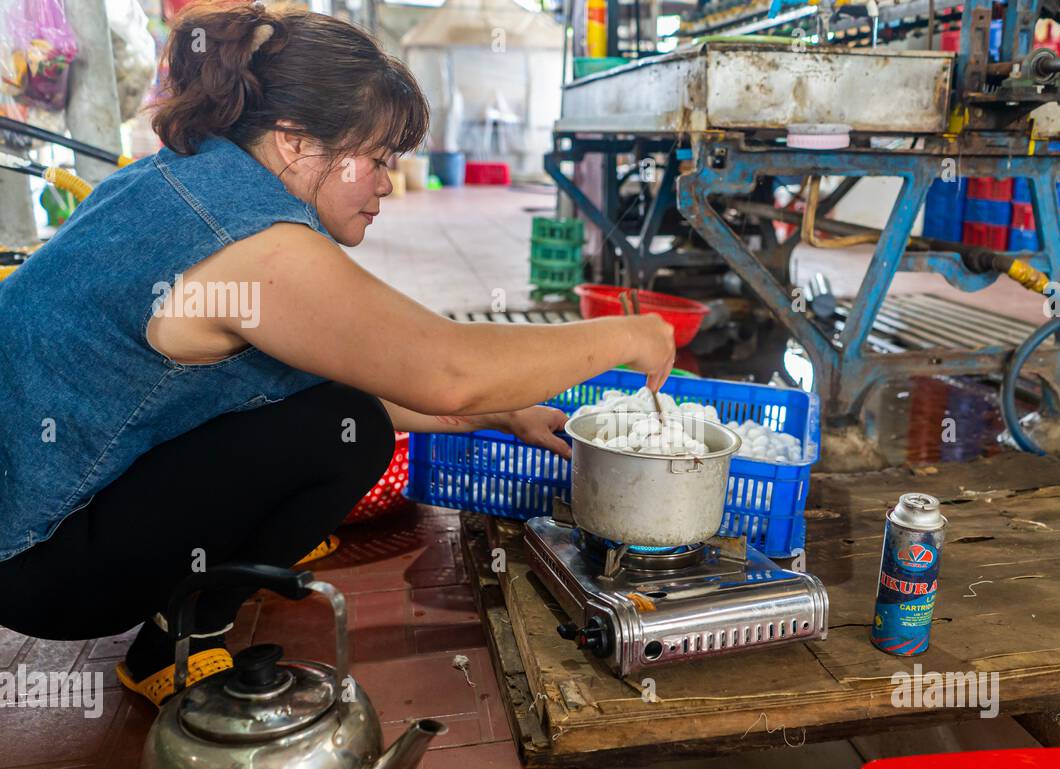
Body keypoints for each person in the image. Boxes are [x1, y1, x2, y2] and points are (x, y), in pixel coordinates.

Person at [0, 3, 675, 705]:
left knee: (337, 415)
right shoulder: (252, 243)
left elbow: (334, 383)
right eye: (375, 158)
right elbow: (449, 369)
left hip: (30, 519)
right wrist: (629, 334)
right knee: (346, 435)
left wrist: (505, 416)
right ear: (294, 144)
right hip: (37, 562)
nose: (386, 182)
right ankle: (183, 639)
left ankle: (174, 630)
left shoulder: (187, 178)